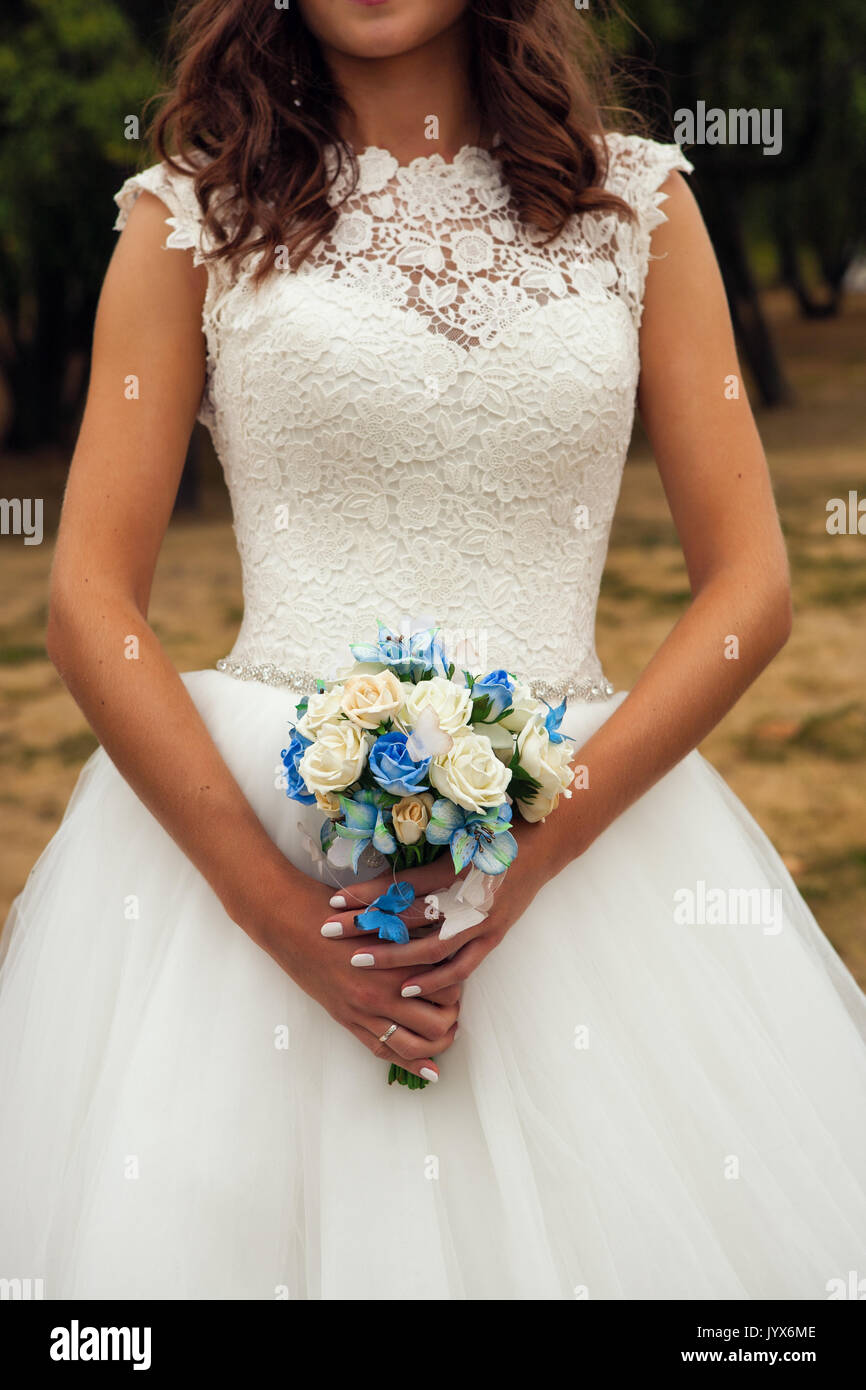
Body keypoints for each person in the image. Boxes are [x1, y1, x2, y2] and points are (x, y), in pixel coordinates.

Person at [1, 0, 865, 1300]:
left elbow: (750, 588)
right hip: (257, 859)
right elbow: (87, 602)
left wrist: (535, 849)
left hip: (584, 855)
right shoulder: (189, 214)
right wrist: (286, 919)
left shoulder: (637, 207)